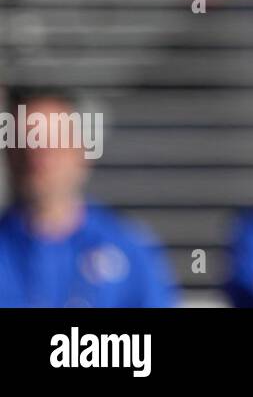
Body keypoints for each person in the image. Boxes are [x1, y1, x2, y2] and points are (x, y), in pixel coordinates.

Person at [0, 87, 177, 307]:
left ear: (82, 151)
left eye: (53, 143)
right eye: (25, 142)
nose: (38, 158)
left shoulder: (129, 249)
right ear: (8, 153)